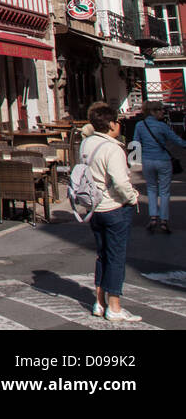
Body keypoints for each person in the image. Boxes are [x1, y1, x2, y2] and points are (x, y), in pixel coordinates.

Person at [82, 102, 141, 322]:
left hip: (94, 206)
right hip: (114, 207)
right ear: (111, 124)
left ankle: (100, 302)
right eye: (117, 121)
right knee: (116, 257)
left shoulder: (86, 144)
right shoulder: (113, 148)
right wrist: (133, 198)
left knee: (102, 255)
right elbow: (120, 182)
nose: (119, 125)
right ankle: (114, 307)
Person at [133, 102, 185, 233]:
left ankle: (153, 217)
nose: (162, 112)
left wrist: (134, 160)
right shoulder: (162, 126)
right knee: (164, 191)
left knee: (151, 189)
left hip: (147, 161)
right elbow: (176, 140)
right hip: (163, 160)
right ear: (152, 111)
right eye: (160, 110)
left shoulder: (140, 125)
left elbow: (135, 143)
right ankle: (164, 220)